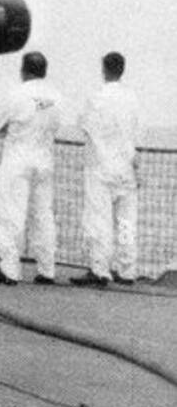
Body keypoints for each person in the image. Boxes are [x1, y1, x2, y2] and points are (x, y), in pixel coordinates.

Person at [0, 51, 63, 286]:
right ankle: (47, 270)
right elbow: (55, 126)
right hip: (44, 161)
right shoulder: (56, 96)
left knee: (9, 215)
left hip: (17, 160)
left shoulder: (16, 94)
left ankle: (9, 269)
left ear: (24, 70)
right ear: (44, 71)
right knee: (43, 216)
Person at [71, 52, 140, 287]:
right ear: (123, 69)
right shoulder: (132, 98)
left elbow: (84, 125)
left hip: (101, 167)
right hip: (126, 167)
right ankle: (128, 270)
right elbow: (136, 131)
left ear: (104, 69)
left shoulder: (95, 97)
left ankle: (100, 269)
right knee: (126, 222)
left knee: (99, 220)